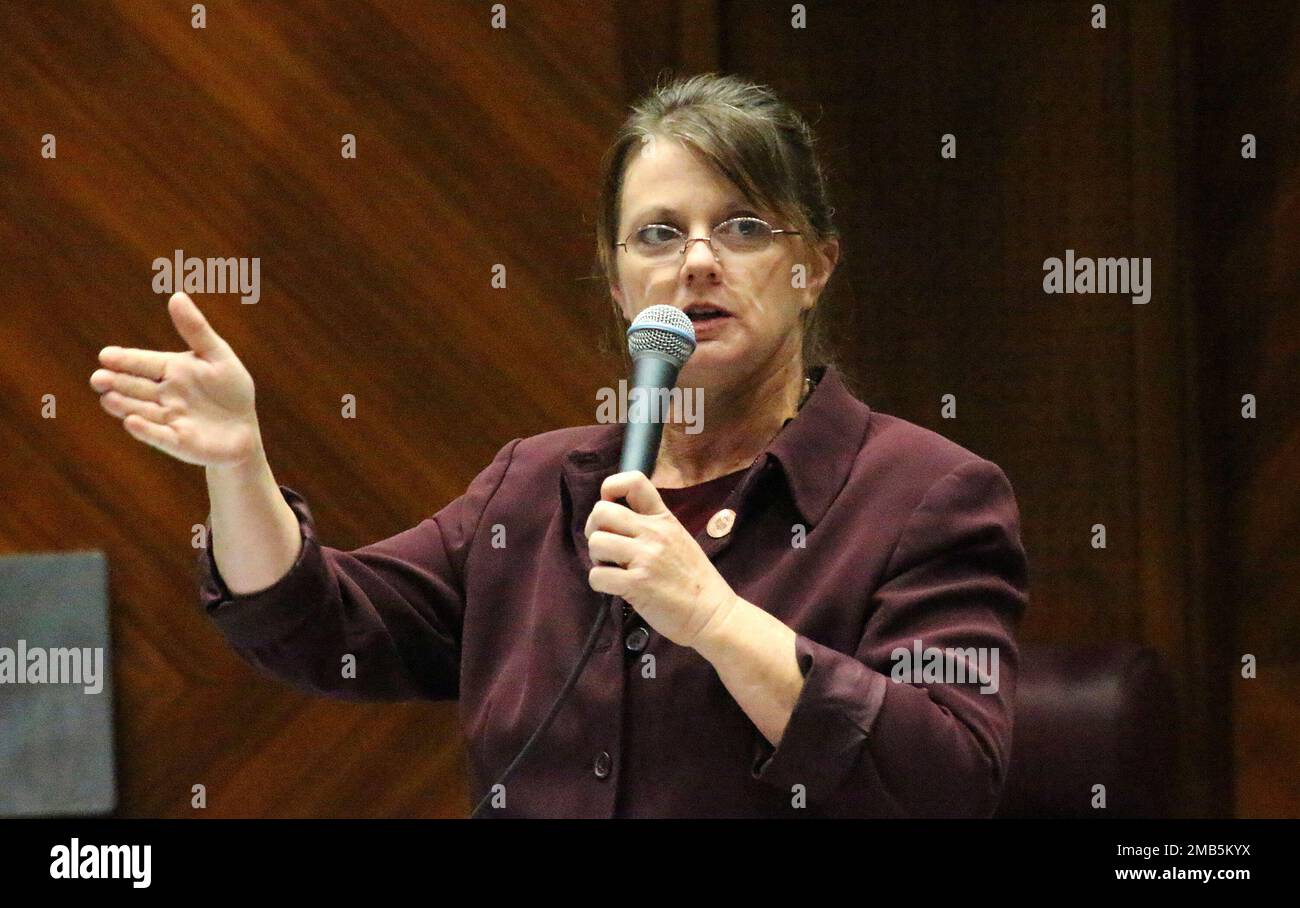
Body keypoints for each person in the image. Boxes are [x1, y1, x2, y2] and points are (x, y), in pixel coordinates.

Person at [89, 72, 1028, 818]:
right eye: (657, 234)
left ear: (813, 265)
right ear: (621, 289)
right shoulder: (536, 489)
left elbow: (949, 778)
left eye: (742, 226)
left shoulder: (927, 496)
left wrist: (713, 617)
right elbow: (321, 627)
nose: (697, 259)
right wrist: (238, 469)